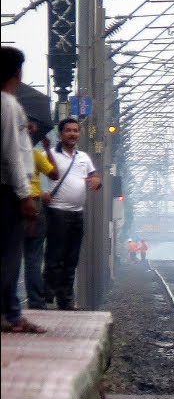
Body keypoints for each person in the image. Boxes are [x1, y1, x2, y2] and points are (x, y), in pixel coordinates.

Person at [1, 47, 43, 333]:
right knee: (9, 255)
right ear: (17, 72)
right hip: (7, 192)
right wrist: (24, 194)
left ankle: (10, 312)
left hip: (6, 189)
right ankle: (11, 316)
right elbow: (11, 155)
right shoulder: (8, 104)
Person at [43, 117, 102, 311]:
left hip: (77, 213)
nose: (72, 134)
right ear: (60, 134)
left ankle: (66, 300)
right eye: (68, 130)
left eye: (76, 130)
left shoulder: (83, 157)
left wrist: (97, 182)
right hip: (57, 211)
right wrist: (41, 193)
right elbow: (37, 173)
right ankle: (48, 295)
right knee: (55, 256)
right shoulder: (50, 154)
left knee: (71, 258)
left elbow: (94, 177)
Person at [23, 119, 59, 309]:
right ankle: (36, 302)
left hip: (10, 205)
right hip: (33, 206)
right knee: (33, 257)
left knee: (9, 256)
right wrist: (49, 149)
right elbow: (54, 174)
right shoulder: (34, 155)